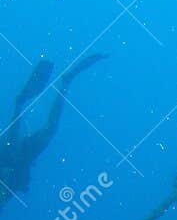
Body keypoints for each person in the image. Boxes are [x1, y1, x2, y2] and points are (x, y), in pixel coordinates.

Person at [0, 53, 105, 211]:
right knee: (48, 131)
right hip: (20, 161)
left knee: (17, 144)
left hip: (12, 159)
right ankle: (65, 82)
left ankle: (21, 103)